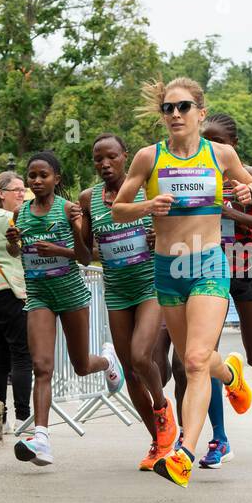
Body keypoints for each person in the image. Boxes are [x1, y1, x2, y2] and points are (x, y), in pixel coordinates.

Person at [112, 76, 252, 487]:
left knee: (193, 361)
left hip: (208, 263)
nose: (175, 114)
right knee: (195, 359)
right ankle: (230, 375)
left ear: (200, 112)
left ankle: (185, 454)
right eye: (168, 108)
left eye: (183, 107)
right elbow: (119, 209)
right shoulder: (149, 158)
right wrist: (147, 205)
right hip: (168, 269)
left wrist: (246, 193)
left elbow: (251, 184)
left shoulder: (220, 153)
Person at [7, 151, 123, 466]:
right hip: (39, 295)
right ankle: (41, 438)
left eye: (43, 175)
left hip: (71, 294)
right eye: (32, 175)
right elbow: (15, 251)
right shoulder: (20, 213)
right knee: (41, 366)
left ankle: (107, 360)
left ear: (56, 179)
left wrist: (61, 245)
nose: (36, 180)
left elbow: (86, 256)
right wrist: (13, 241)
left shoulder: (68, 209)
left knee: (81, 365)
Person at [79, 134, 178, 471]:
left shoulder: (148, 190)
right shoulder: (89, 199)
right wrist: (79, 229)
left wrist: (159, 237)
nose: (105, 164)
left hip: (150, 285)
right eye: (98, 159)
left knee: (140, 356)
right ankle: (159, 442)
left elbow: (177, 229)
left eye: (112, 157)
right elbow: (86, 254)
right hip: (117, 291)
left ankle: (162, 409)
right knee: (131, 372)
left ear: (126, 156)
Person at [194, 113, 252, 467]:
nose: (211, 147)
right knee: (207, 354)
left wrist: (233, 214)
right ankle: (219, 438)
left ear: (233, 145)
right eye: (207, 141)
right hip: (206, 269)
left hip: (245, 265)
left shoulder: (247, 176)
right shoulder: (195, 175)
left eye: (218, 142)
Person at [0, 172, 33, 431]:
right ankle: (23, 417)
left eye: (24, 190)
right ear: (1, 193)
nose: (22, 194)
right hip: (11, 291)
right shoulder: (8, 218)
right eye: (17, 190)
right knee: (22, 356)